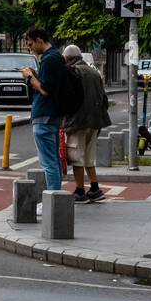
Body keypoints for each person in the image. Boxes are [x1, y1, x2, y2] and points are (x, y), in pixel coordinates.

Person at [20, 27, 66, 200]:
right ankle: (55, 198)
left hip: (44, 116)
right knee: (52, 161)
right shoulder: (56, 56)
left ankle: (52, 200)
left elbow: (45, 89)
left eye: (30, 43)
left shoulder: (49, 59)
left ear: (39, 40)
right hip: (51, 115)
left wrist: (29, 76)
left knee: (49, 163)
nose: (29, 47)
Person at [62, 44, 110, 204]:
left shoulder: (73, 72)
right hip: (96, 121)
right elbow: (104, 99)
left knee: (77, 157)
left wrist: (65, 119)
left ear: (67, 59)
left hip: (78, 121)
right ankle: (95, 188)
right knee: (89, 157)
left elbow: (69, 98)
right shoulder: (94, 72)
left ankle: (80, 190)